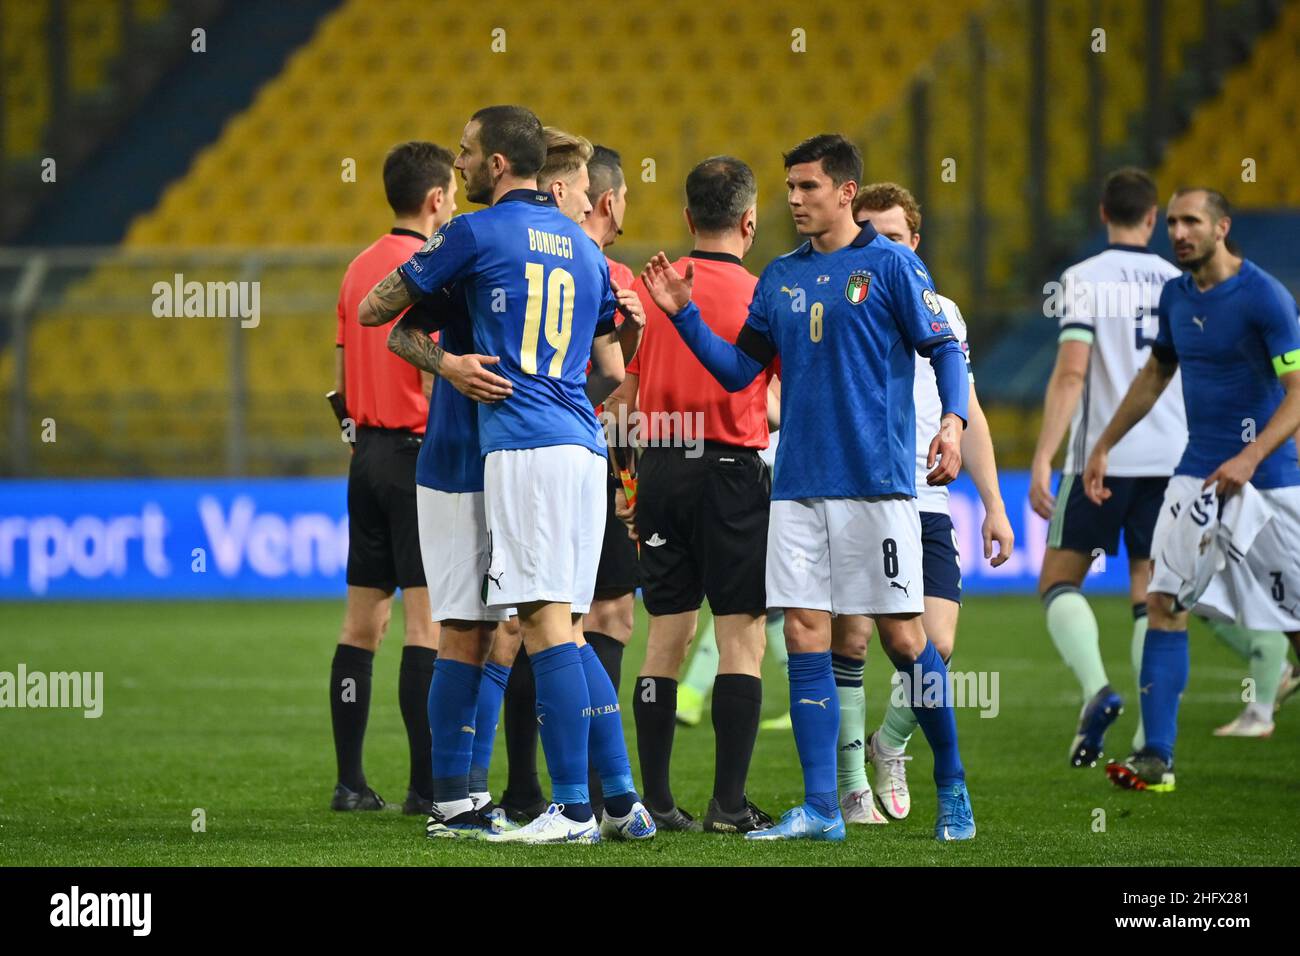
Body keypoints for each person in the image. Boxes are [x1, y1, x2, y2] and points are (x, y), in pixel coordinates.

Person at [641, 134, 975, 841]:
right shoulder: (780, 278)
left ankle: (952, 787)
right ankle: (824, 807)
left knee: (907, 641)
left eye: (809, 187)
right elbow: (738, 373)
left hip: (878, 485)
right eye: (789, 188)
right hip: (795, 486)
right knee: (804, 634)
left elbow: (944, 347)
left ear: (846, 191)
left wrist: (950, 421)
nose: (795, 199)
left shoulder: (890, 265)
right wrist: (683, 314)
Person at [360, 106, 654, 843]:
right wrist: (450, 362)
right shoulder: (581, 254)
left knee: (537, 625)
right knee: (488, 628)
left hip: (514, 450)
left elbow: (379, 310)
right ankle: (486, 798)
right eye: (581, 187)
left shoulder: (473, 239)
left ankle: (583, 805)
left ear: (498, 165)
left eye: (465, 153)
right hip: (499, 457)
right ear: (558, 186)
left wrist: (460, 359)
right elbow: (609, 368)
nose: (456, 166)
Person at [1082, 187, 1300, 792]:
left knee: (1296, 621)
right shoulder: (1174, 295)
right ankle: (1157, 758)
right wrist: (1104, 443)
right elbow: (1157, 373)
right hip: (1196, 474)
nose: (1178, 232)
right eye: (1172, 222)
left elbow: (1298, 391)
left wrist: (1252, 456)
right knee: (1164, 602)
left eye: (1191, 222)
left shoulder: (1265, 298)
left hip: (1273, 483)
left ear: (1221, 227)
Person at [610, 156, 776, 834]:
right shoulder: (765, 294)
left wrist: (628, 480)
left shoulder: (655, 288)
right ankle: (728, 806)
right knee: (742, 638)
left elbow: (630, 396)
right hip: (732, 472)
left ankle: (654, 799)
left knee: (664, 639)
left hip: (662, 473)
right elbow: (771, 399)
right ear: (749, 219)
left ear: (687, 218)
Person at [842, 182, 1013, 825]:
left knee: (934, 645)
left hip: (928, 499)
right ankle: (853, 781)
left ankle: (891, 745)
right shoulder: (842, 301)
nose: (879, 246)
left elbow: (967, 409)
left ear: (915, 244)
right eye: (869, 234)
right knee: (854, 641)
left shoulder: (943, 313)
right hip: (861, 493)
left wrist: (994, 502)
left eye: (892, 236)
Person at [1029, 167, 1186, 766]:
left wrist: (1044, 454)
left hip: (1102, 456)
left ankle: (1096, 689)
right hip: (1171, 457)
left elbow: (1072, 371)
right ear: (1152, 219)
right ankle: (1151, 739)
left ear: (1102, 214)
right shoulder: (1179, 280)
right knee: (1152, 594)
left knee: (1060, 580)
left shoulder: (1084, 279)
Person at [328, 141, 449, 814]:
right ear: (435, 199)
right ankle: (424, 787)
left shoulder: (356, 271)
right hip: (414, 457)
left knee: (359, 627)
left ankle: (350, 782)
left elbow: (344, 384)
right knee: (424, 624)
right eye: (451, 196)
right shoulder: (428, 269)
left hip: (364, 455)